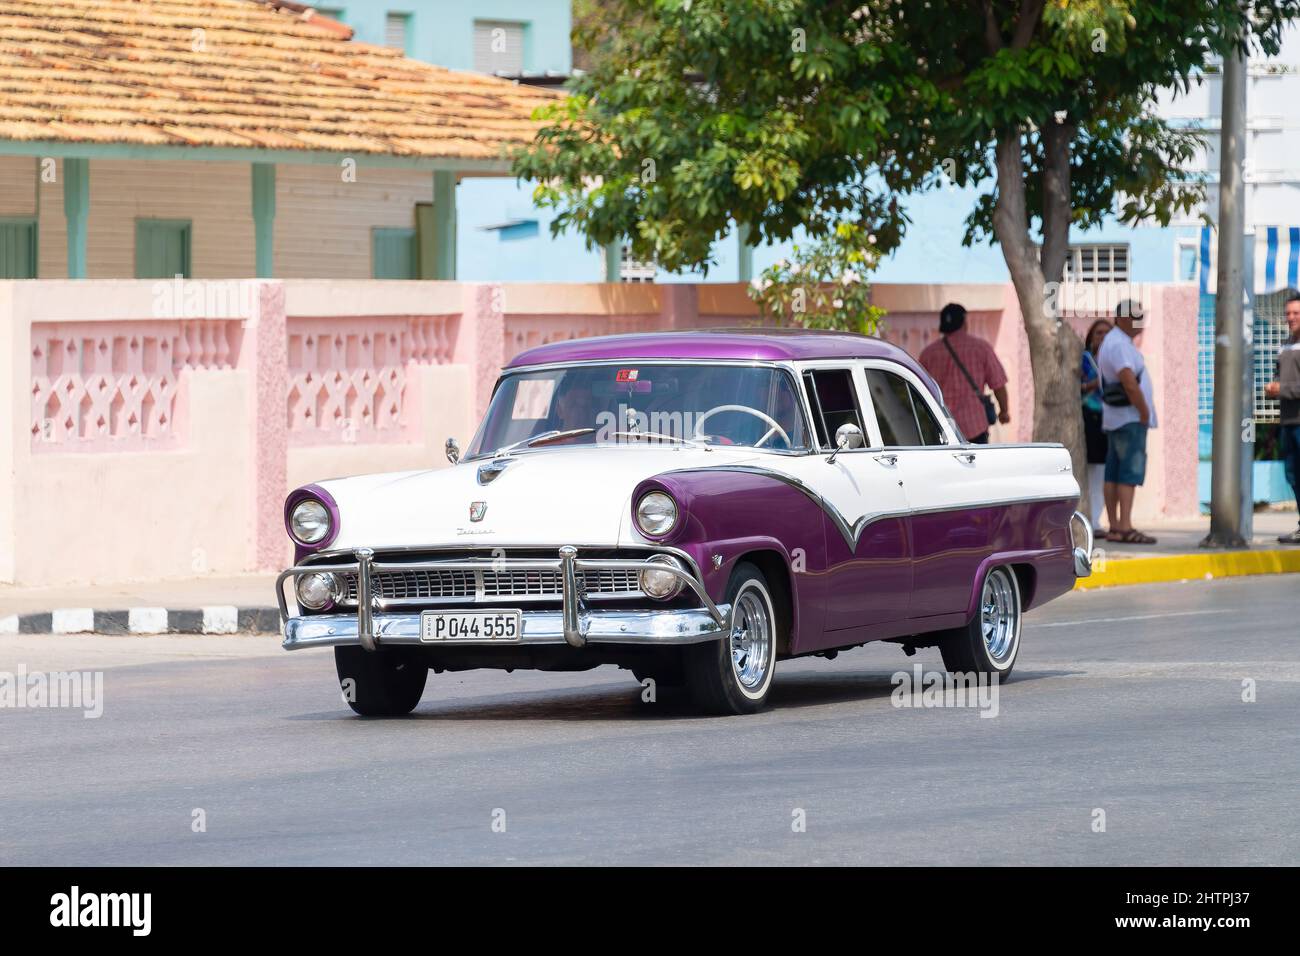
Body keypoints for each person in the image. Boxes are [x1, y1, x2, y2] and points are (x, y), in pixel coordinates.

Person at [1097, 299, 1158, 544]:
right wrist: (1144, 412)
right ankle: (1125, 526)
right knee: (1128, 473)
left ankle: (1114, 526)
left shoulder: (1113, 342)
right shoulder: (1119, 344)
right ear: (1121, 318)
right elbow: (1129, 382)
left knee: (1113, 472)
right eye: (1135, 317)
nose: (1139, 322)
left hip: (1116, 419)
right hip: (1129, 418)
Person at [919, 302, 1010, 444]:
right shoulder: (981, 348)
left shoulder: (928, 354)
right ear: (964, 322)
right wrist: (1004, 412)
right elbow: (998, 384)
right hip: (975, 426)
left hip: (942, 425)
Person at [1264, 292, 1300, 544]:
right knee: (1293, 475)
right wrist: (1273, 389)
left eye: (1296, 313)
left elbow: (1290, 385)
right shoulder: (1285, 345)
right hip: (1288, 421)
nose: (1290, 317)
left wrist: (1282, 388)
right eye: (1288, 313)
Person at [1080, 319, 1113, 534]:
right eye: (1098, 333)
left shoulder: (1113, 358)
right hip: (1091, 417)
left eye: (1106, 333)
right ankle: (1091, 521)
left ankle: (1098, 518)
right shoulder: (1085, 359)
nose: (1102, 337)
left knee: (1105, 471)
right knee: (1094, 469)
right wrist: (1094, 384)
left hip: (1111, 419)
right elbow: (1077, 386)